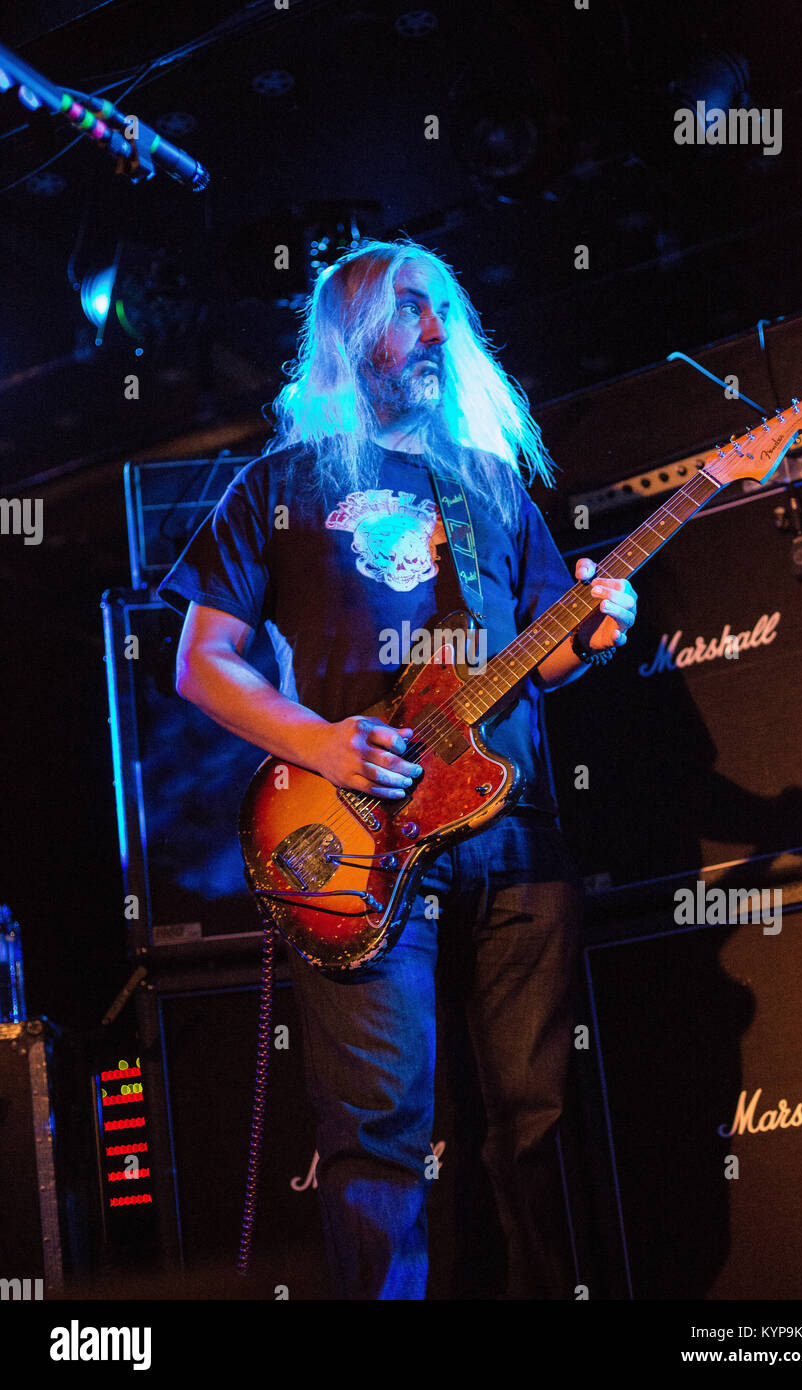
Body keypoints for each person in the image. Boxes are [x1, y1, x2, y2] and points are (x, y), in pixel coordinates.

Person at [157, 239, 637, 1299]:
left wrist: (603, 628)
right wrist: (318, 740)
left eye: (443, 310)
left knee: (540, 1119)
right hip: (359, 838)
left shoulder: (490, 482)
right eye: (409, 307)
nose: (434, 329)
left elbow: (544, 651)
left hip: (516, 832)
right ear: (349, 333)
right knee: (376, 1135)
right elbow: (200, 662)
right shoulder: (278, 484)